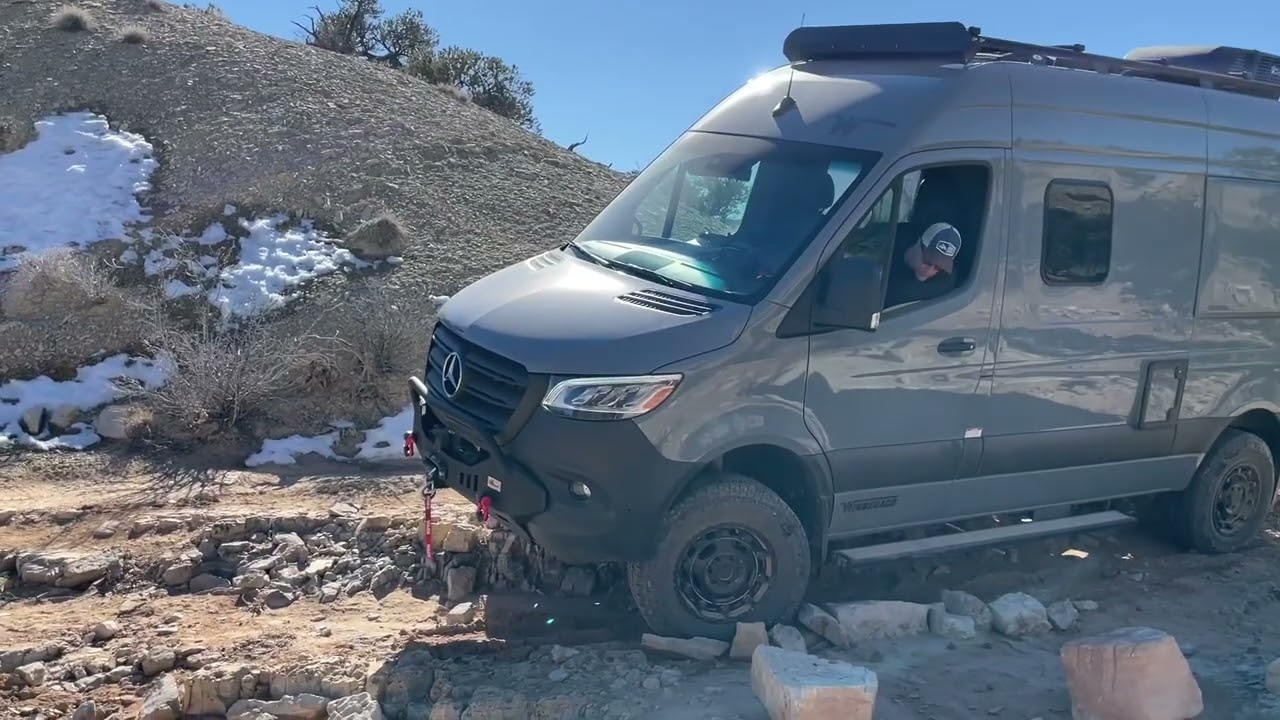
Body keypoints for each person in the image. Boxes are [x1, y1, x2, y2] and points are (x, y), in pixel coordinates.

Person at [883, 221, 962, 307]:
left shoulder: (944, 283)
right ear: (918, 242)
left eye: (938, 268)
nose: (929, 271)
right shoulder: (890, 242)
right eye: (927, 262)